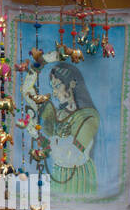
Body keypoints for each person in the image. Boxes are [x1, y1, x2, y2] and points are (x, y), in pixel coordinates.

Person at [25, 60, 99, 196]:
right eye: (52, 88)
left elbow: (72, 155)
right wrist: (37, 135)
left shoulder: (89, 117)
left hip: (79, 178)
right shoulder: (58, 114)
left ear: (71, 84)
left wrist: (45, 142)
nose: (54, 93)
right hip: (59, 174)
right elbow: (52, 147)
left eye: (57, 86)